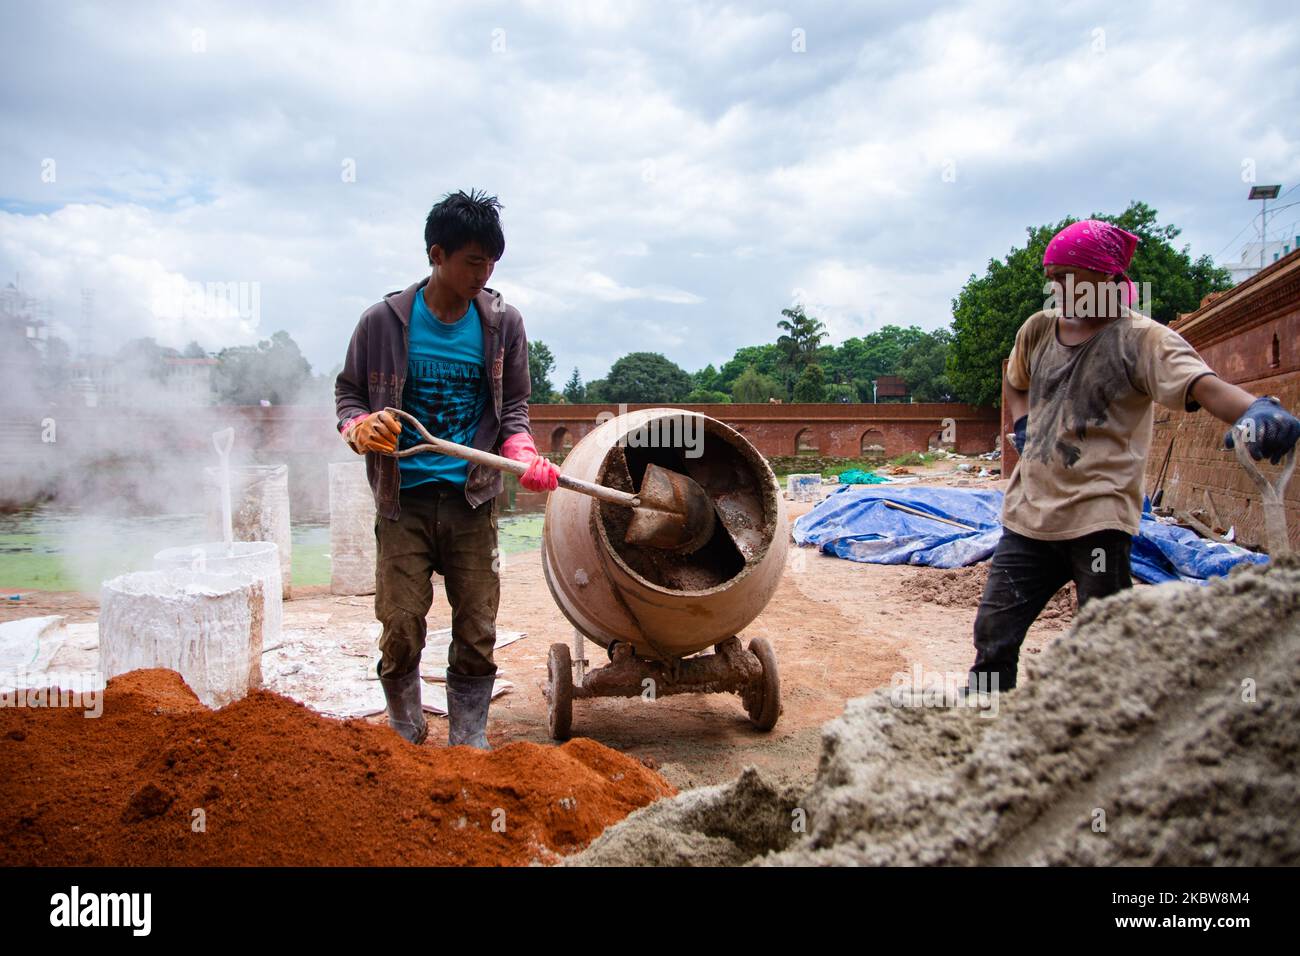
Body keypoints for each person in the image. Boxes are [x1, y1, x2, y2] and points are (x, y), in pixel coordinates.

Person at [968, 219, 1300, 693]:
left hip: (1099, 519)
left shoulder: (1143, 340)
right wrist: (1020, 425)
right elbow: (1015, 380)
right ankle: (981, 720)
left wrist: (1257, 409)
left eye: (1066, 275)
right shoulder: (1038, 329)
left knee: (1107, 642)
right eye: (1052, 274)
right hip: (1029, 516)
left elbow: (1203, 385)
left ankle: (1103, 729)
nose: (1055, 285)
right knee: (994, 633)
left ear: (1104, 277)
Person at [334, 189, 560, 747]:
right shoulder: (382, 323)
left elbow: (513, 409)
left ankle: (468, 736)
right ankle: (405, 727)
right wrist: (358, 429)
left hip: (471, 500)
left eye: (491, 263)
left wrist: (522, 453)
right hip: (402, 500)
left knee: (479, 624)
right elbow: (348, 396)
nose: (483, 274)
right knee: (403, 622)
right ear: (437, 254)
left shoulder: (503, 325)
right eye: (472, 261)